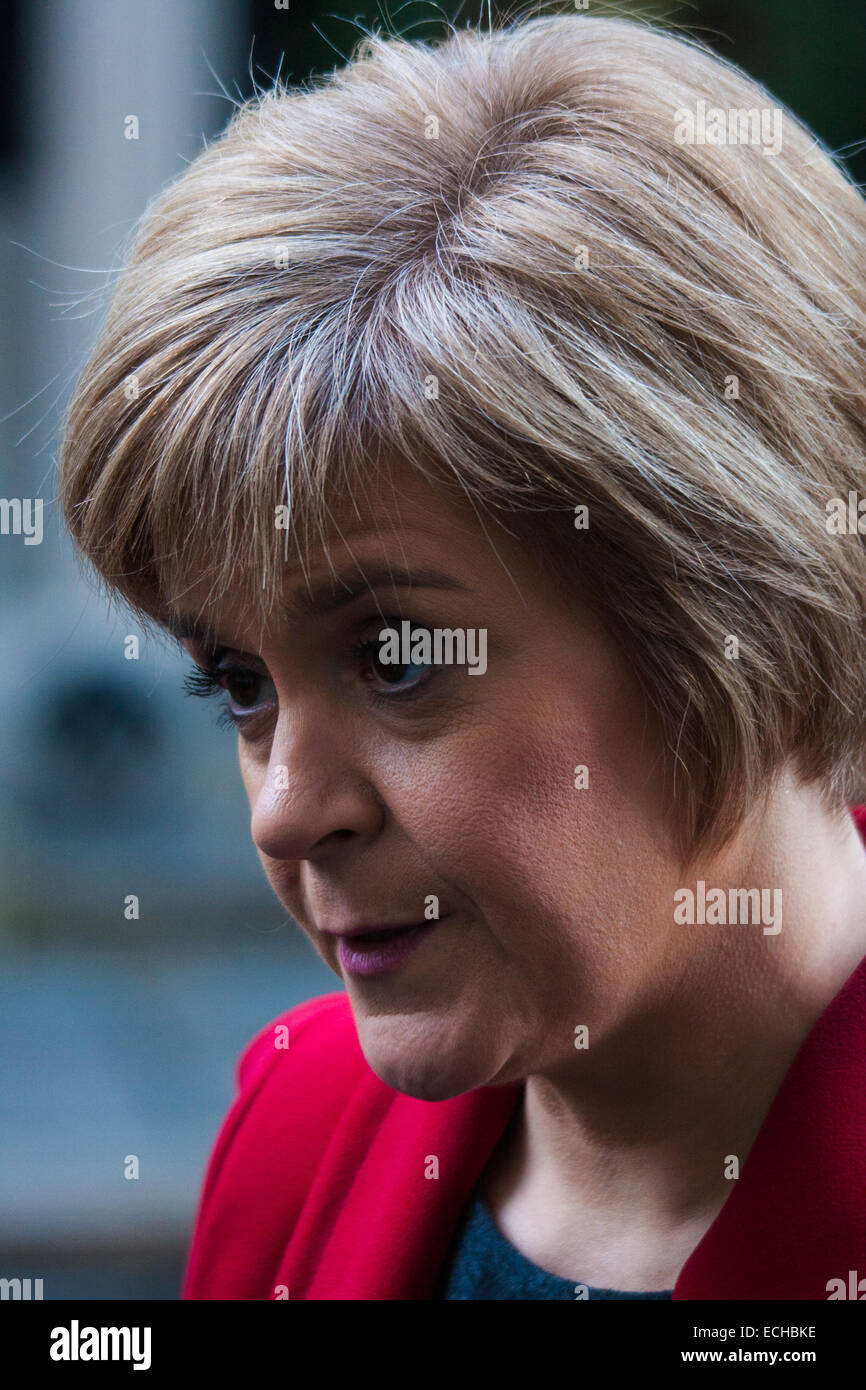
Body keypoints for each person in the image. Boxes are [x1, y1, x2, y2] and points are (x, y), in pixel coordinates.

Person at [58, 10, 866, 1299]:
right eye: (241, 685)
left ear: (748, 619)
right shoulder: (293, 1134)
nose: (283, 811)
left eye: (396, 660)